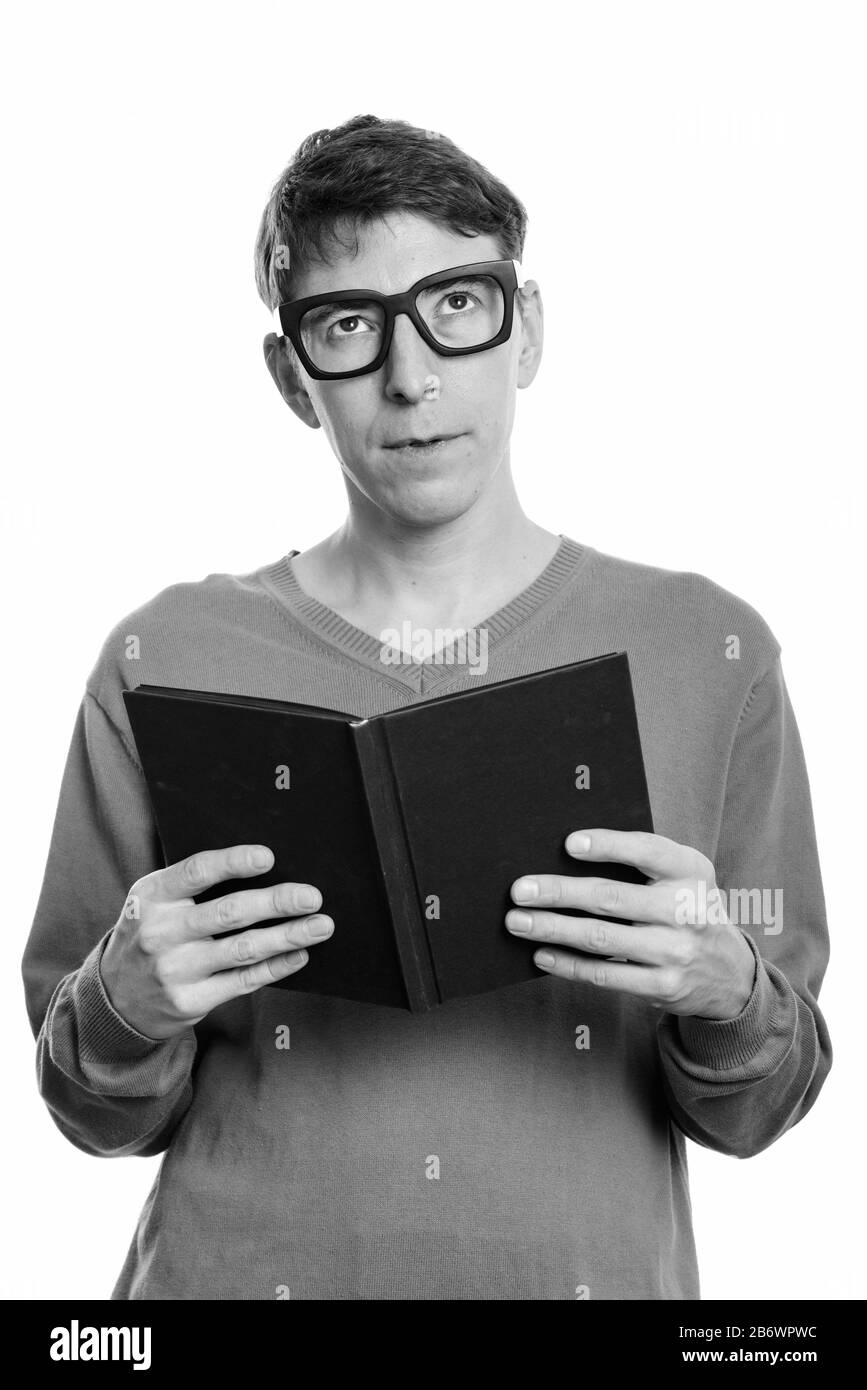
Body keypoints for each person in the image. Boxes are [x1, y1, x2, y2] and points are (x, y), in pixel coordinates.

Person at [21, 114, 832, 1301]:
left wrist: (728, 989)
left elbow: (766, 1102)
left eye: (456, 303)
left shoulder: (712, 654)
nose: (412, 375)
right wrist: (120, 1004)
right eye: (349, 325)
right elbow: (89, 1108)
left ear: (528, 328)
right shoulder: (160, 659)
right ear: (294, 376)